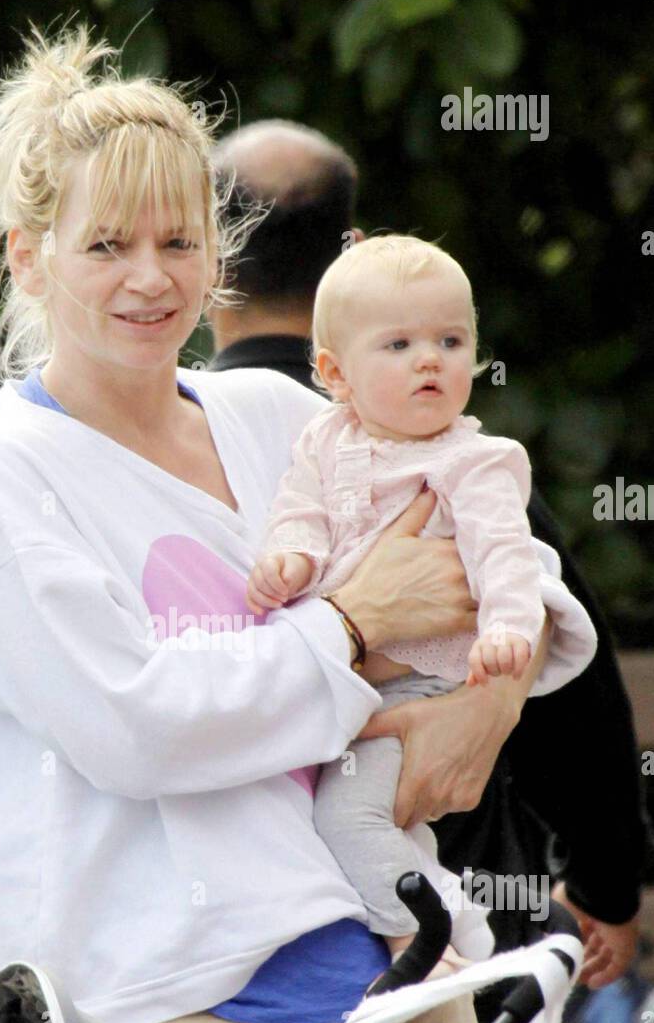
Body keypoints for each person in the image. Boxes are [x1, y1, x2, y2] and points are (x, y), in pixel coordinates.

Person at [0, 24, 594, 1023]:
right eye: (105, 247)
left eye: (178, 240)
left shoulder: (281, 415)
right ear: (27, 255)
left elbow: (511, 562)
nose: (150, 278)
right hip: (176, 1017)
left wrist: (484, 706)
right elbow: (136, 728)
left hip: (399, 966)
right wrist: (344, 625)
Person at [210, 120, 654, 990]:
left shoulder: (183, 448)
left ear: (209, 267)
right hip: (463, 891)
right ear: (355, 248)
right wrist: (608, 884)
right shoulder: (419, 438)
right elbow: (582, 704)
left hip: (232, 935)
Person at [248, 232, 582, 965]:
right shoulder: (321, 441)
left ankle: (422, 934)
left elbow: (504, 556)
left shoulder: (474, 460)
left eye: (450, 339)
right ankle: (444, 915)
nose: (429, 358)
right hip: (346, 685)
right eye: (397, 344)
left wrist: (505, 630)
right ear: (334, 372)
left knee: (345, 815)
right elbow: (299, 509)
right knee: (356, 817)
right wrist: (292, 558)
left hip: (427, 680)